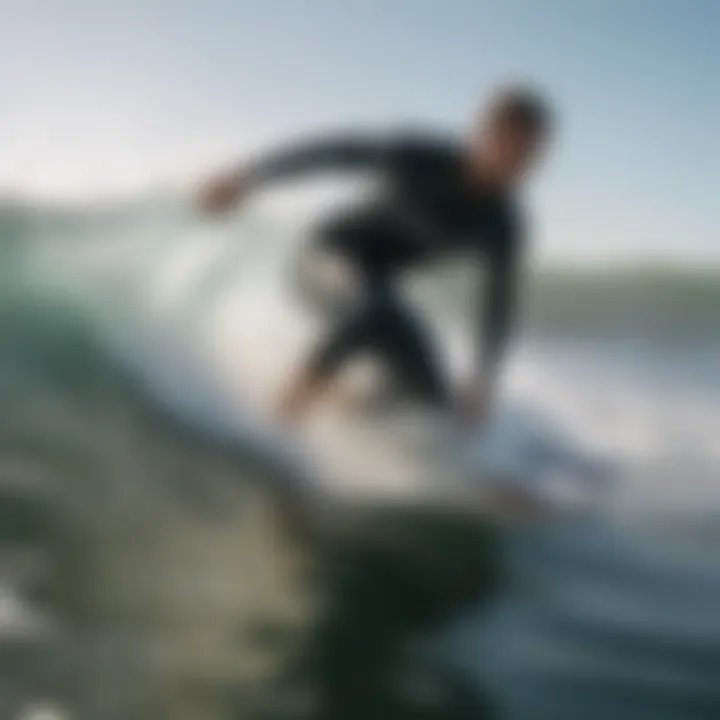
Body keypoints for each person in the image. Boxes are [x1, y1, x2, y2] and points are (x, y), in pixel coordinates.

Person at [198, 85, 553, 427]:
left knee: (429, 395)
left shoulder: (503, 223)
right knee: (372, 309)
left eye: (529, 156)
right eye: (512, 149)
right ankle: (284, 414)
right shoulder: (422, 160)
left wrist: (483, 379)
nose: (518, 165)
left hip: (374, 286)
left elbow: (498, 302)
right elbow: (334, 153)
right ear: (483, 135)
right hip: (321, 260)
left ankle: (345, 412)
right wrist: (247, 178)